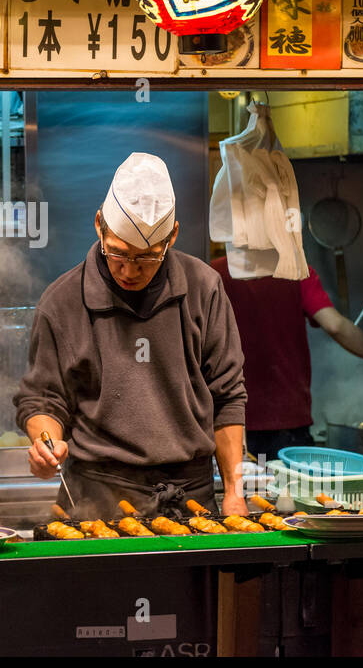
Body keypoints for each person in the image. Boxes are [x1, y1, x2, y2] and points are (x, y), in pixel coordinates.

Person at [15, 152, 249, 518]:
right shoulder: (61, 302)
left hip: (191, 501)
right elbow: (43, 400)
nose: (129, 270)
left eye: (148, 258)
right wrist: (47, 445)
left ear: (172, 236)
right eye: (118, 254)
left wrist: (235, 490)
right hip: (97, 500)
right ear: (99, 225)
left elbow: (228, 396)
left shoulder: (204, 288)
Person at [210, 257, 363, 462]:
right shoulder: (294, 269)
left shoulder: (214, 271)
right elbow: (335, 325)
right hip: (287, 426)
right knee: (292, 493)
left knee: (244, 491)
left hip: (229, 423)